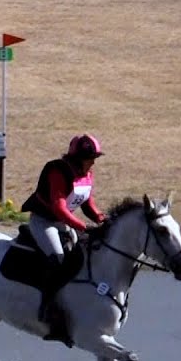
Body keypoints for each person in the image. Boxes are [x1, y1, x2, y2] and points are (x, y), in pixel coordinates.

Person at [20, 133, 108, 344]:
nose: (93, 161)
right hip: (44, 222)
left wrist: (102, 219)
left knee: (83, 258)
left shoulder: (87, 174)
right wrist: (83, 227)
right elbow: (59, 207)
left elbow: (88, 204)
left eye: (95, 157)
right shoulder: (57, 170)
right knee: (59, 260)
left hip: (64, 224)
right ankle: (48, 309)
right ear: (78, 158)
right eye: (90, 157)